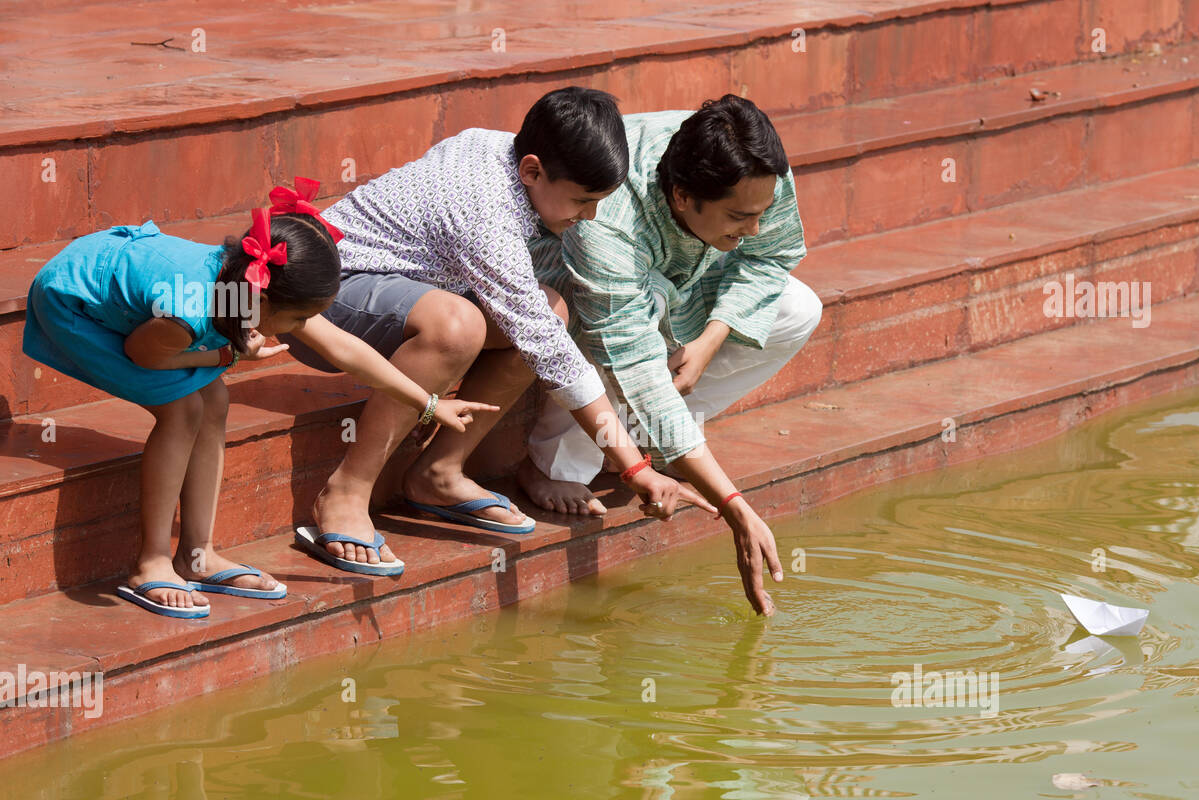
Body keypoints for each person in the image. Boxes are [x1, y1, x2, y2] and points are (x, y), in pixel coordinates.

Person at [286, 87, 705, 575]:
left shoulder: (507, 156)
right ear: (532, 171)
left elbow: (540, 329)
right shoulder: (484, 209)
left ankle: (438, 472)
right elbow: (551, 354)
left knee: (548, 310)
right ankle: (346, 492)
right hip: (323, 305)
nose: (587, 217)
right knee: (461, 326)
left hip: (404, 294)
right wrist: (634, 466)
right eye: (583, 201)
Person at [22, 183, 490, 617]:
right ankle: (151, 563)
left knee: (215, 401)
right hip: (75, 303)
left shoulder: (253, 287)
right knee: (183, 410)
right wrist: (225, 353)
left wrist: (431, 403)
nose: (306, 325)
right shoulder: (192, 308)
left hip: (133, 300)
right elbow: (143, 351)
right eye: (301, 317)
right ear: (263, 305)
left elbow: (350, 352)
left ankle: (196, 555)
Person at [524, 95, 823, 616]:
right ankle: (554, 464)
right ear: (682, 198)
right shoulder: (603, 220)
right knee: (602, 330)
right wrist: (735, 505)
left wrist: (710, 339)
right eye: (738, 217)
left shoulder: (755, 165)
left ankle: (658, 447)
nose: (753, 228)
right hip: (579, 286)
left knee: (798, 307)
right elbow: (629, 355)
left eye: (759, 213)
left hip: (686, 287)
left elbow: (772, 254)